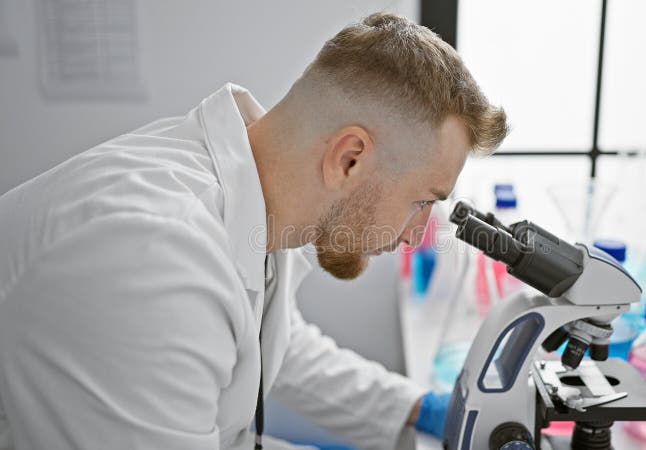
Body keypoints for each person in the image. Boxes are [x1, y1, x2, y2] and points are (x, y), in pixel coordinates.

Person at [0, 12, 508, 450]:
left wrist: (416, 406)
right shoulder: (151, 260)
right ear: (350, 158)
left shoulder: (260, 188)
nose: (418, 233)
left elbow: (274, 346)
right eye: (422, 200)